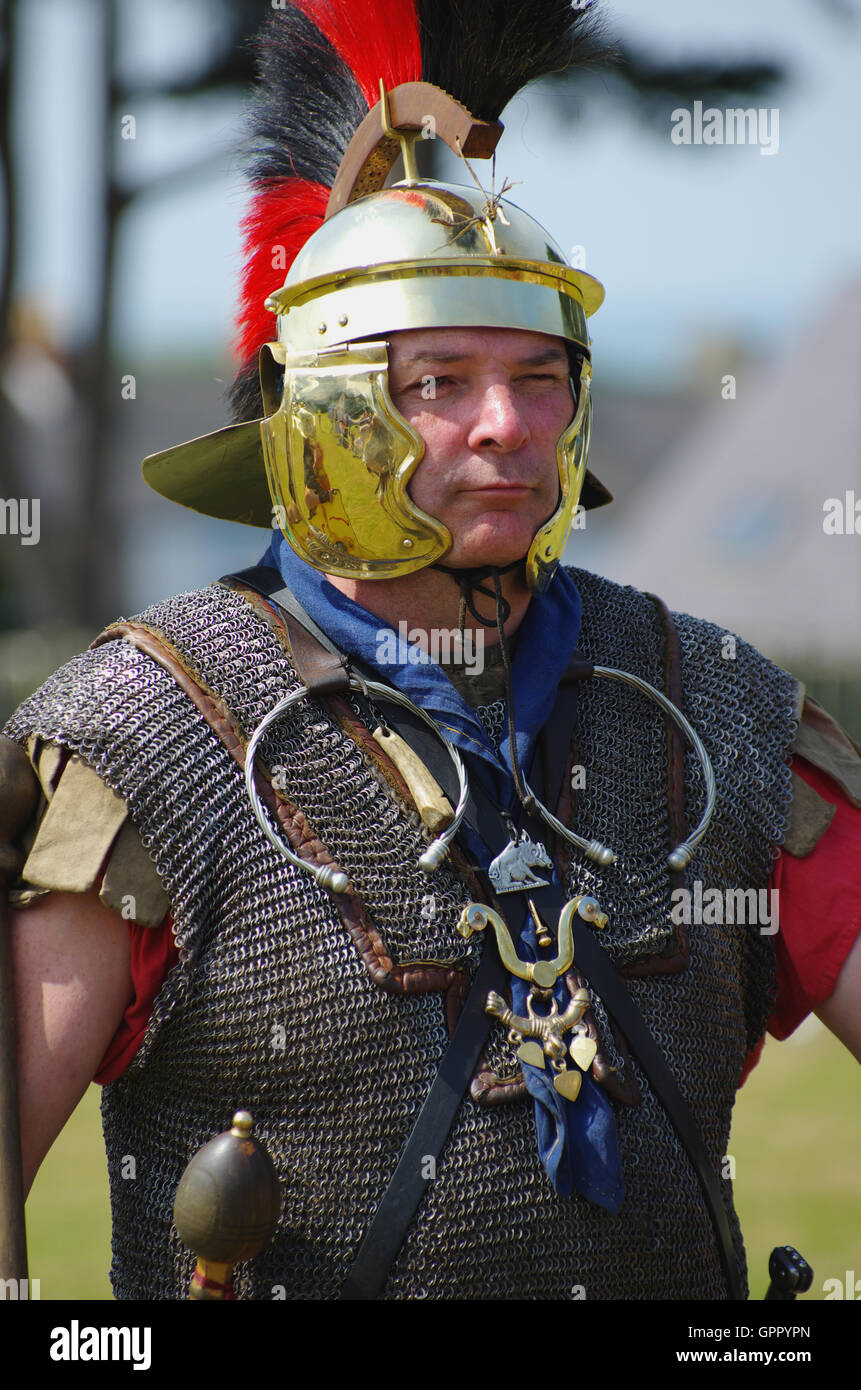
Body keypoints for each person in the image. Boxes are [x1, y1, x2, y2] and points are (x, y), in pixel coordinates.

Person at [4, 0, 861, 1302]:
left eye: (538, 372)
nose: (504, 423)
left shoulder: (719, 709)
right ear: (323, 416)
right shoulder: (141, 736)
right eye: (438, 379)